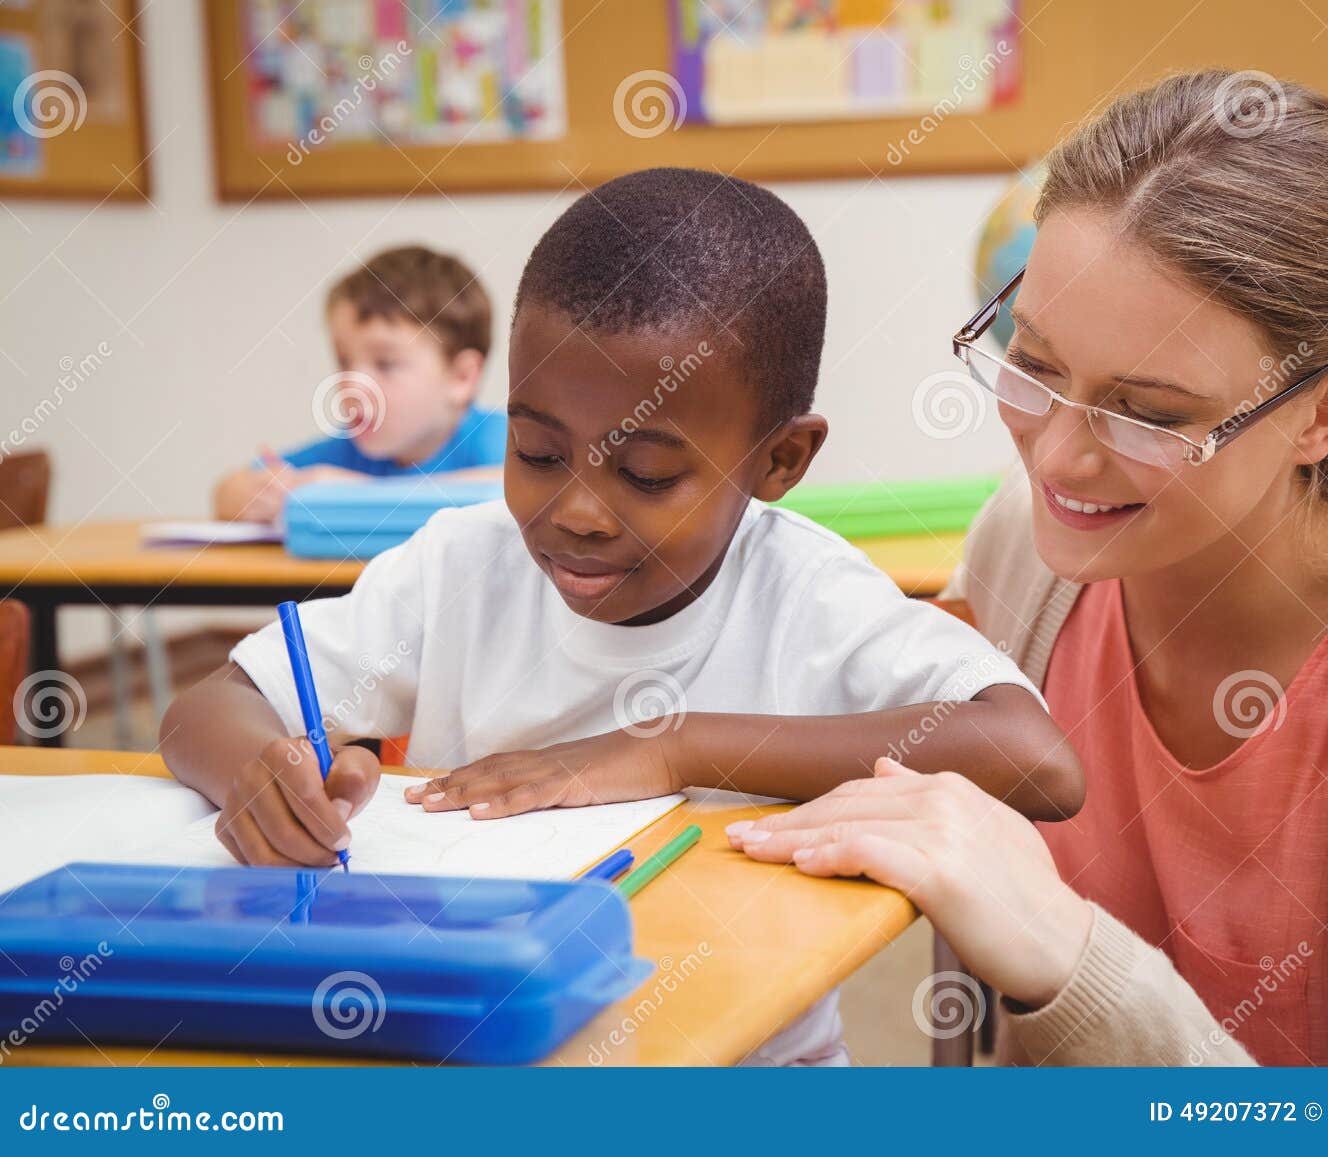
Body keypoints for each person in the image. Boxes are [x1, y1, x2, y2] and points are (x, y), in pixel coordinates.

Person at [729, 71, 1328, 1065]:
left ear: (1323, 412)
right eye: (1037, 363)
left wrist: (1067, 949)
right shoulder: (1025, 549)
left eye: (1146, 413)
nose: (1056, 459)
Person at [162, 168, 1083, 1066]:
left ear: (782, 461)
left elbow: (1033, 758)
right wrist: (257, 773)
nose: (577, 511)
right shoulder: (459, 567)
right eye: (536, 451)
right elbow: (210, 703)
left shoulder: (806, 594)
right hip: (489, 1053)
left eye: (646, 475)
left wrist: (670, 746)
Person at [213, 245, 505, 523]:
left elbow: (511, 489)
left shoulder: (496, 439)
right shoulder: (350, 449)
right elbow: (227, 491)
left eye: (385, 363)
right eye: (344, 361)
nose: (353, 384)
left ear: (461, 378)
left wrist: (353, 494)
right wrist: (261, 494)